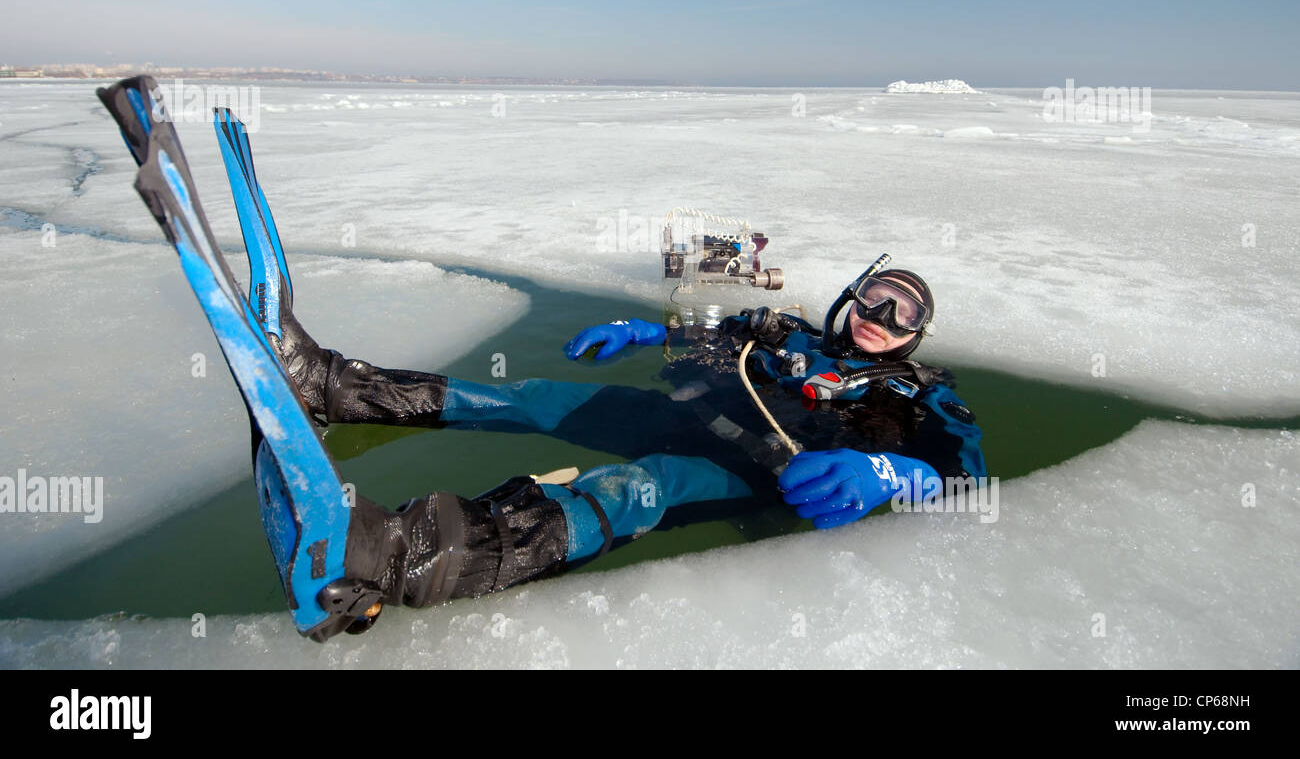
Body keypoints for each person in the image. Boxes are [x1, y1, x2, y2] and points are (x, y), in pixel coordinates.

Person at [98, 77, 985, 642]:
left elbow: (966, 472)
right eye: (877, 297)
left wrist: (884, 473)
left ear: (915, 336)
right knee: (527, 396)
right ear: (853, 296)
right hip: (677, 407)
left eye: (905, 314)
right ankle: (333, 381)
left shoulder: (923, 391)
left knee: (630, 493)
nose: (882, 318)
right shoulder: (792, 330)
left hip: (755, 467)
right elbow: (720, 333)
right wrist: (651, 336)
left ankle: (392, 551)